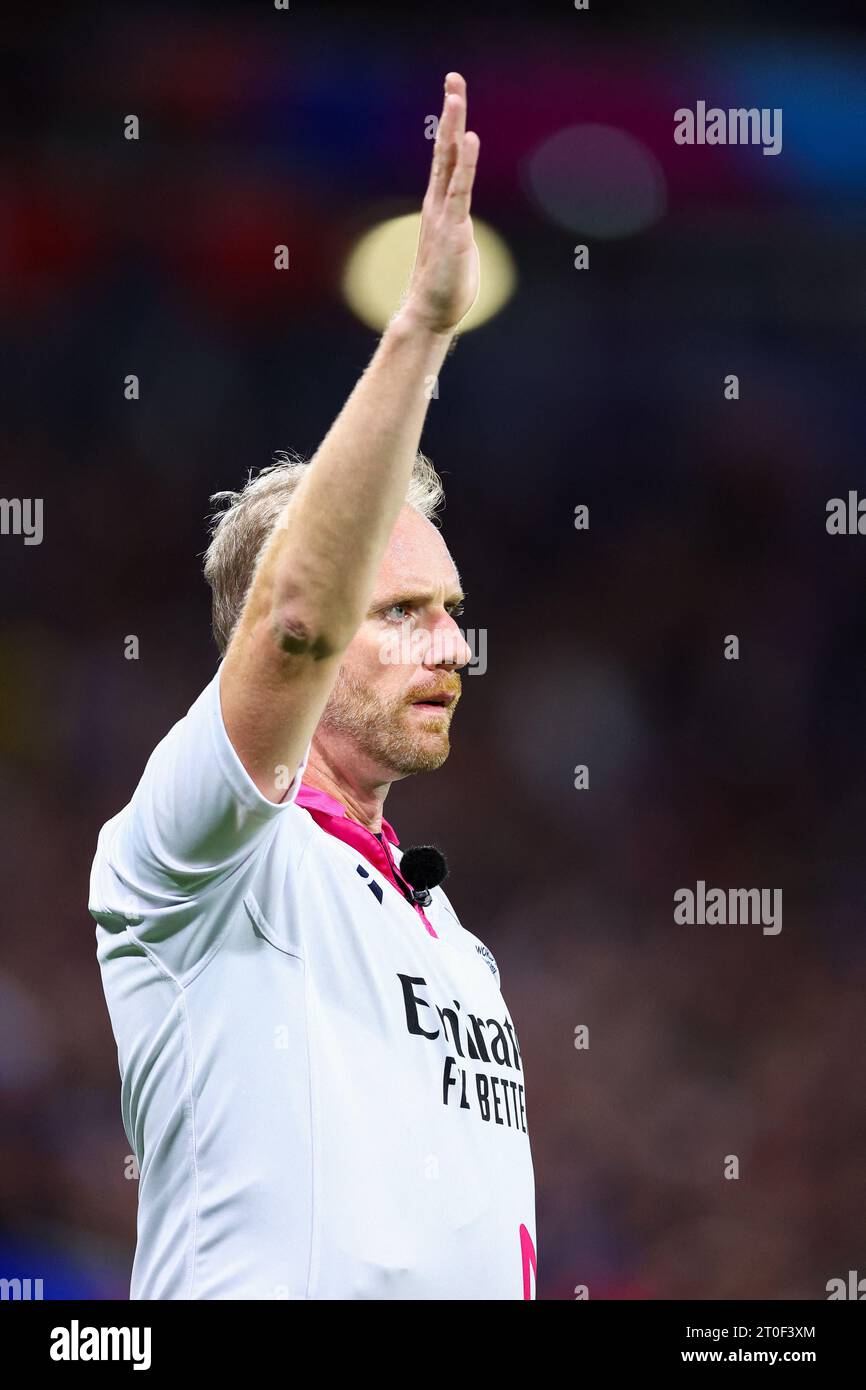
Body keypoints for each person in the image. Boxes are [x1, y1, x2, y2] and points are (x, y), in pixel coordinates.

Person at [89, 72, 537, 1300]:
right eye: (400, 613)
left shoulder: (458, 944)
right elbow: (294, 620)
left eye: (451, 613)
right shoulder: (198, 853)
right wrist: (422, 331)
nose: (450, 648)